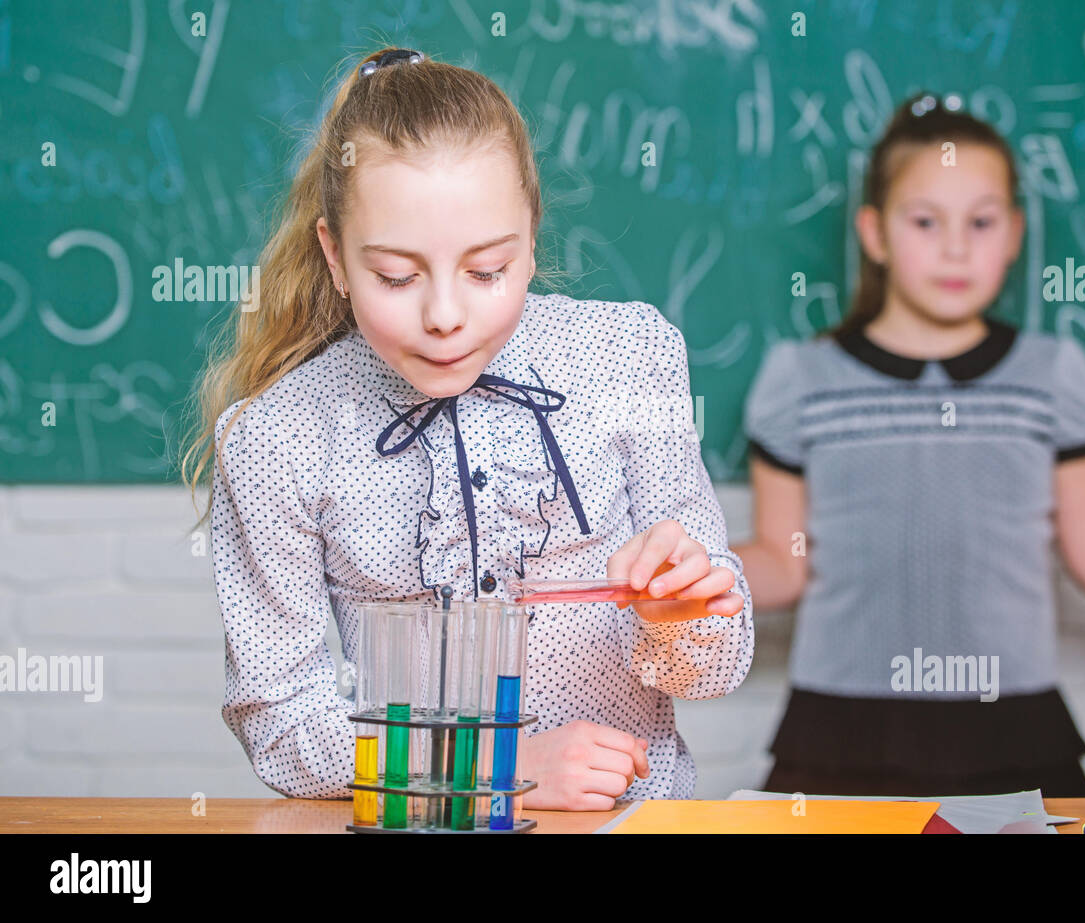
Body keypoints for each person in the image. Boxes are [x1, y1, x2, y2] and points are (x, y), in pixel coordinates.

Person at [180, 48, 752, 809]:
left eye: (486, 271)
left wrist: (681, 615)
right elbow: (279, 724)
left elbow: (714, 670)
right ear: (335, 257)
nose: (445, 315)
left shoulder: (629, 356)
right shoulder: (276, 436)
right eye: (396, 276)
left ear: (532, 237)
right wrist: (492, 768)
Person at [736, 93, 1085, 797]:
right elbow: (781, 565)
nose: (955, 247)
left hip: (1015, 737)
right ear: (874, 234)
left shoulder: (1053, 375)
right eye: (925, 221)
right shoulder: (799, 379)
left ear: (1014, 234)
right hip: (836, 737)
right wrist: (669, 577)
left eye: (981, 221)